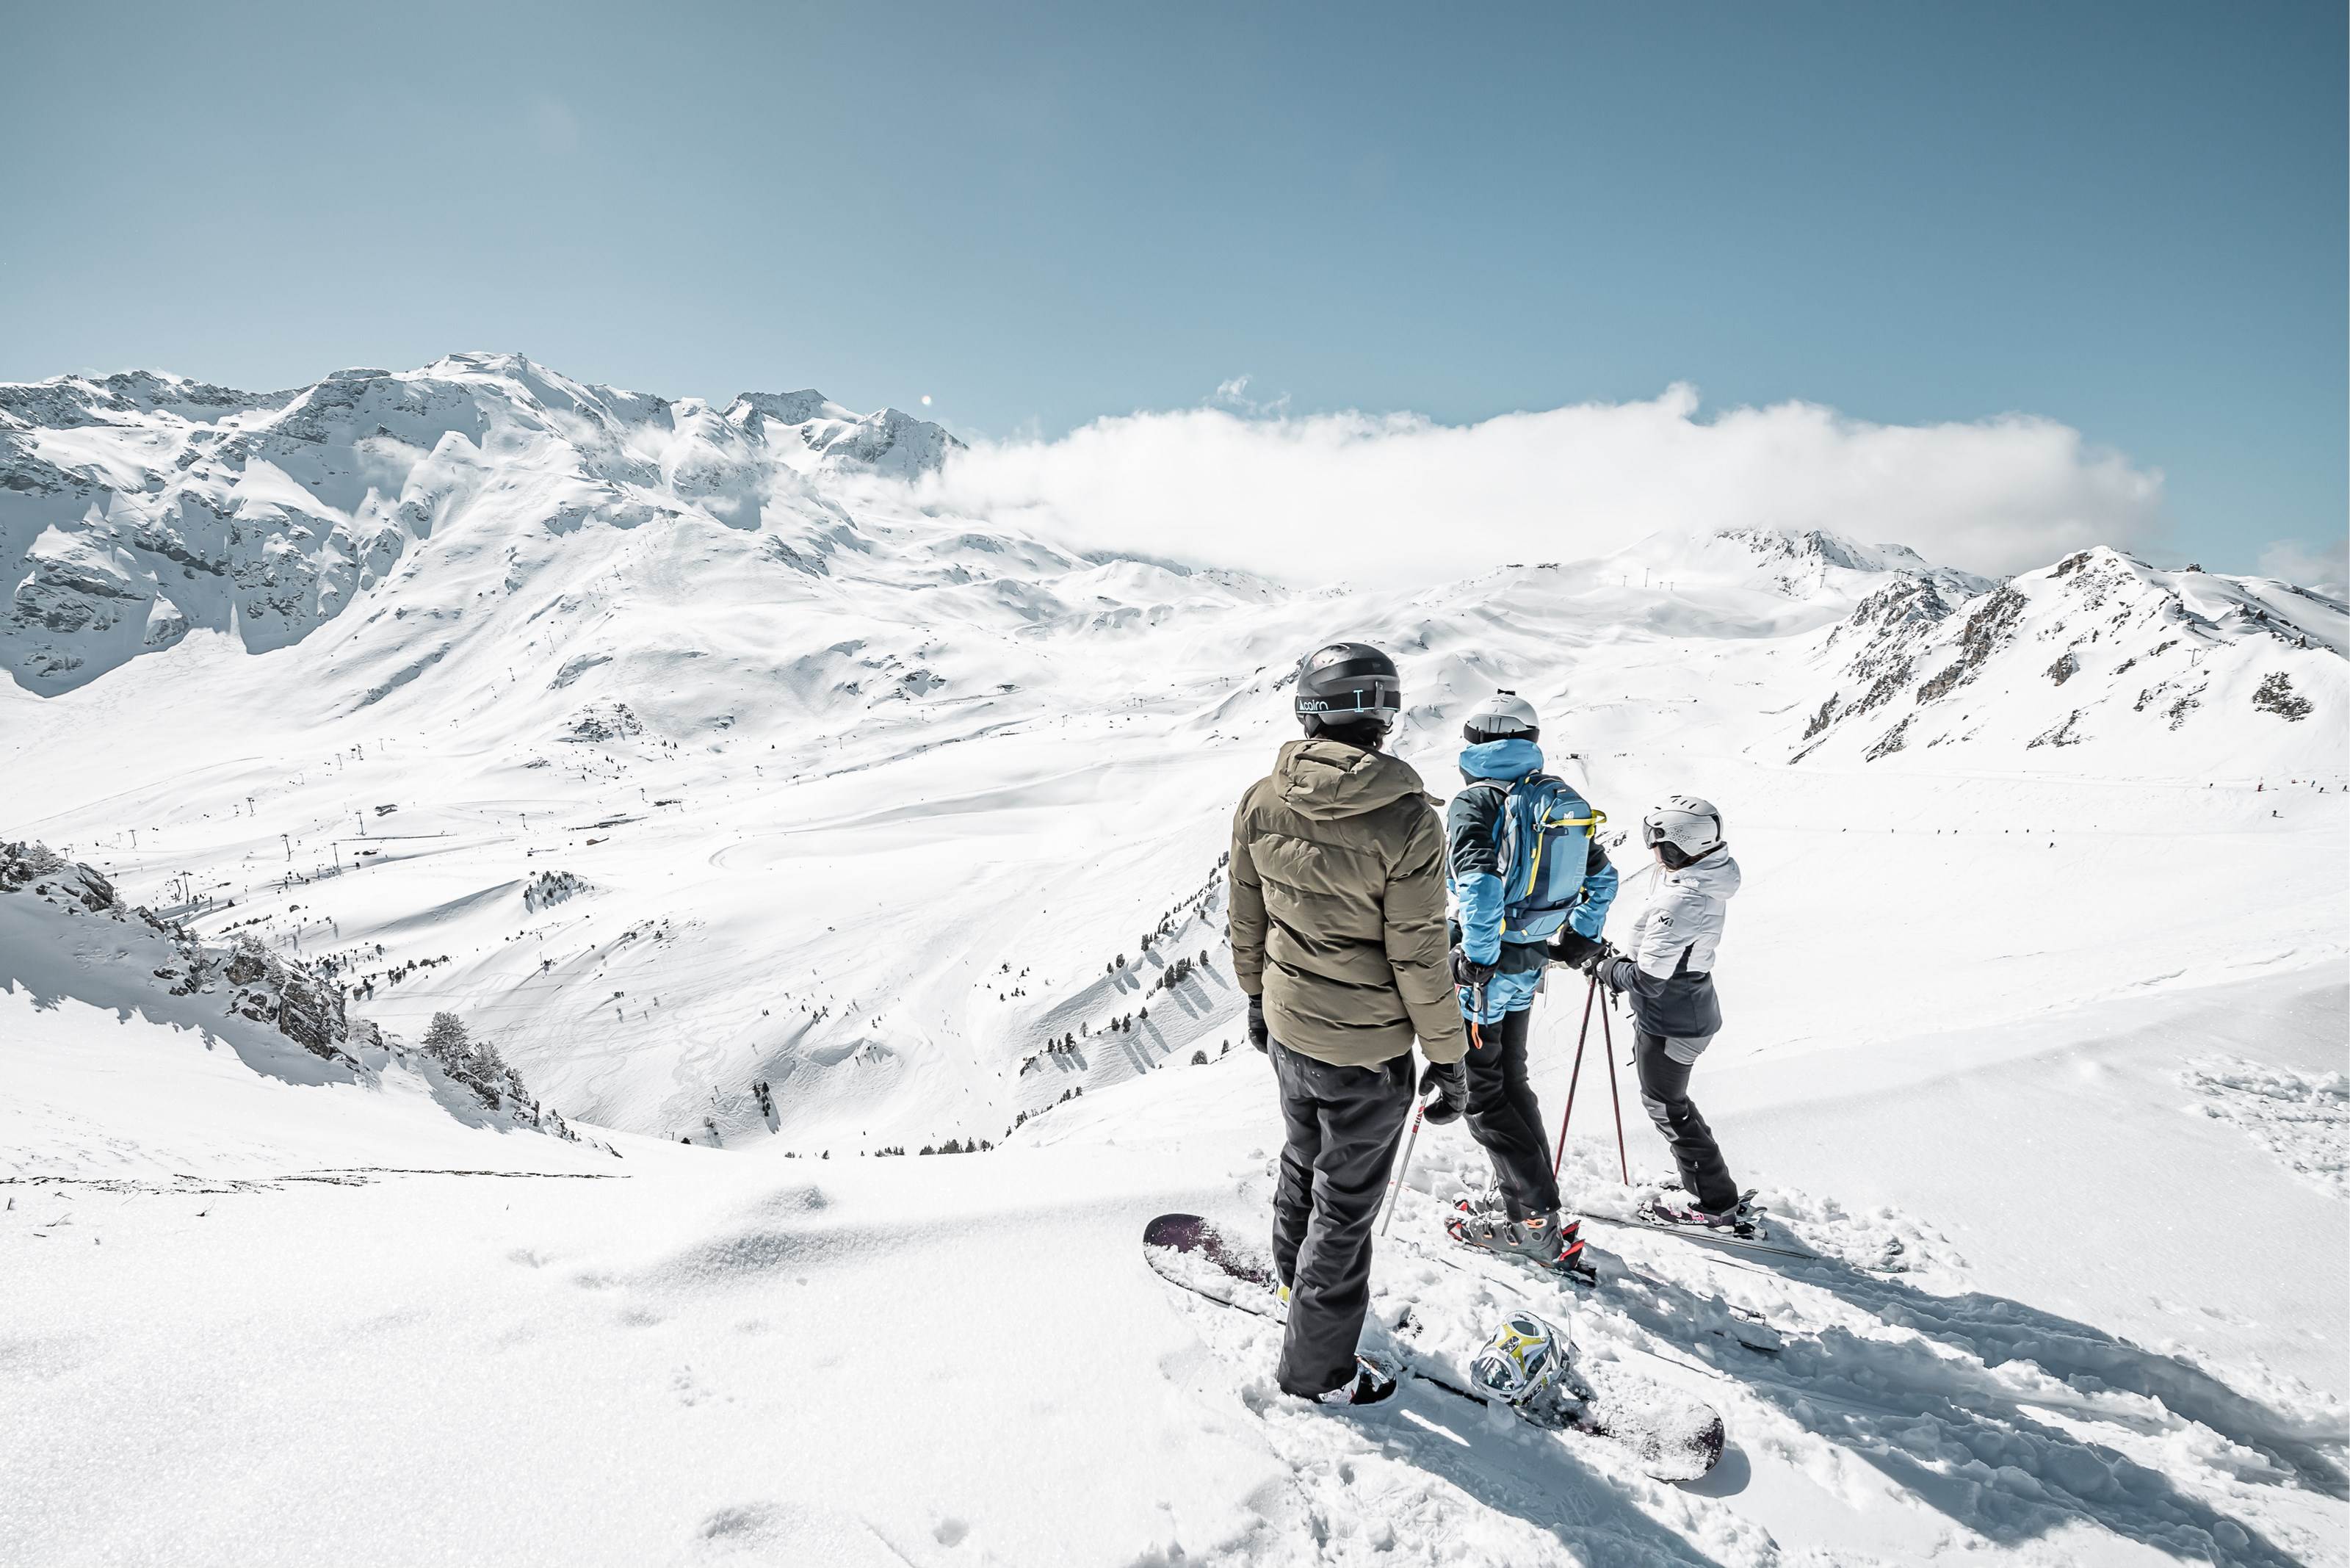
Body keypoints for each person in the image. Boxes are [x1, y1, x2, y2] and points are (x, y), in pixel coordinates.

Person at [1229, 641, 1469, 1406]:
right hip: (1366, 1052)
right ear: (1383, 717)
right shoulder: (1407, 821)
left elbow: (1247, 918)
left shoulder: (1261, 800)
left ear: (1310, 711)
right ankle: (1316, 1370)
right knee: (1345, 1208)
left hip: (1290, 1029)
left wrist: (1257, 1000)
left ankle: (1291, 1283)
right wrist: (1448, 1056)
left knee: (1302, 1158)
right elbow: (1419, 955)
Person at [1436, 691, 1616, 1272]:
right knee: (1511, 1081)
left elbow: (1479, 884)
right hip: (1529, 963)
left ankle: (1533, 1221)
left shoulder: (1476, 801)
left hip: (1487, 976)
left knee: (1482, 1096)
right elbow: (1604, 878)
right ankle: (1530, 1197)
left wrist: (1476, 957)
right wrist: (1580, 938)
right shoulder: (1553, 798)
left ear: (1481, 742)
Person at [1578, 795, 1751, 1232]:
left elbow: (1649, 980)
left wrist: (1605, 967)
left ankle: (1714, 1203)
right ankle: (1705, 1186)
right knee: (1673, 1104)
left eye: (1656, 841)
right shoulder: (1699, 882)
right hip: (1683, 1011)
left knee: (1667, 1107)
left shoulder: (1683, 900)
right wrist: (1616, 963)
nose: (1652, 850)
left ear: (1678, 845)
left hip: (1673, 1019)